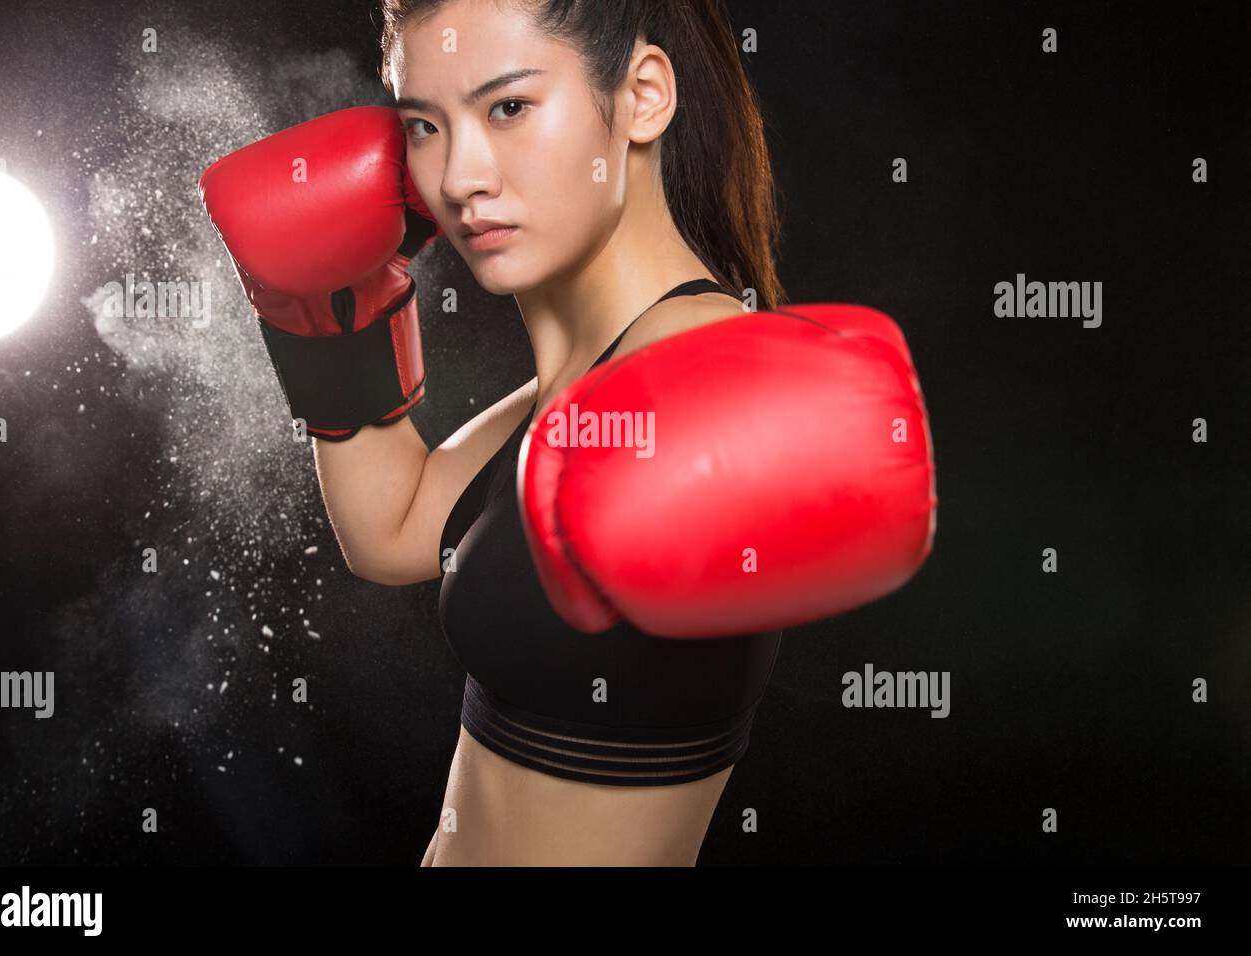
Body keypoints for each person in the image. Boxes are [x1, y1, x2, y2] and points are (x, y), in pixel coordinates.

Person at [199, 0, 936, 866]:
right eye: (424, 126)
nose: (462, 176)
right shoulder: (587, 385)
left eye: (508, 108)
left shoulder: (698, 363)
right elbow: (390, 531)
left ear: (644, 97)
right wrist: (328, 321)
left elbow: (807, 435)